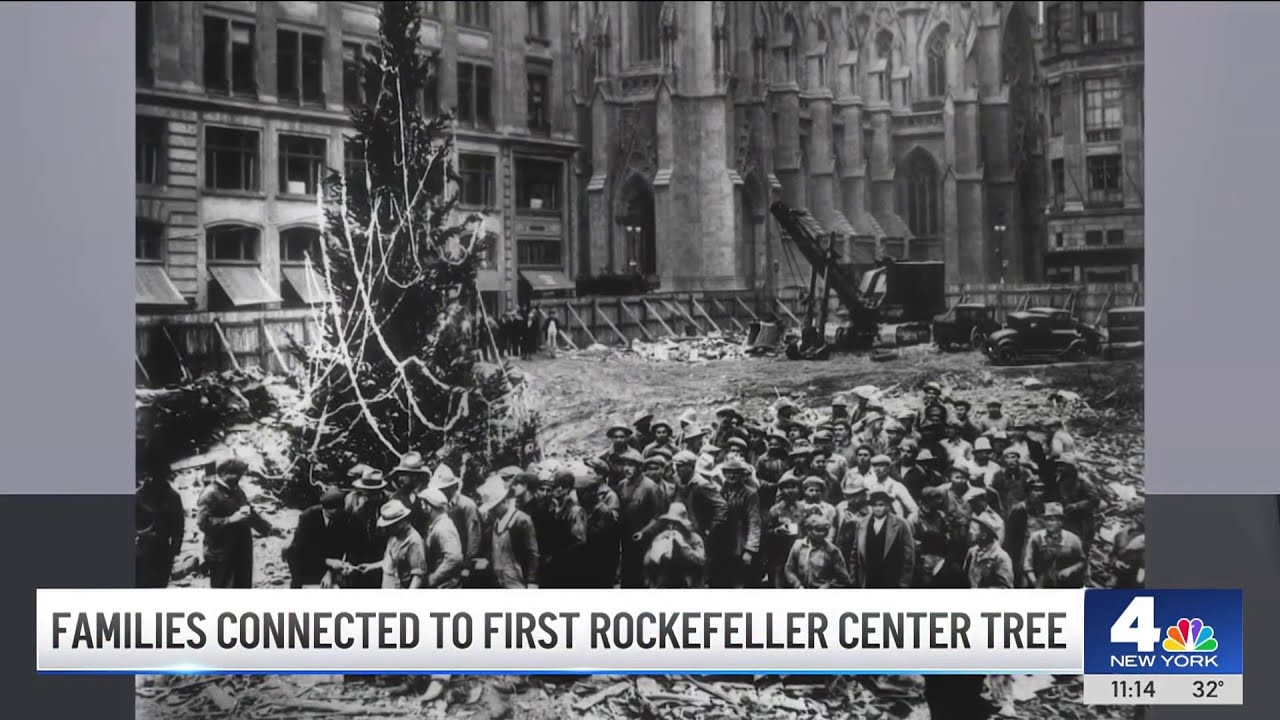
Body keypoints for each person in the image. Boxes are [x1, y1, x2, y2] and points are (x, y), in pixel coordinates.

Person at [197, 458, 279, 588]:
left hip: (242, 551)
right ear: (224, 474)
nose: (239, 478)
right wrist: (230, 520)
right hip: (221, 553)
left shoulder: (236, 490)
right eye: (236, 475)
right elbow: (203, 523)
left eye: (240, 475)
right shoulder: (210, 494)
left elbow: (249, 513)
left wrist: (268, 529)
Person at [284, 488, 353, 588]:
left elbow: (339, 548)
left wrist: (330, 572)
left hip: (329, 565)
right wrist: (327, 562)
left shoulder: (343, 518)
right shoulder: (308, 518)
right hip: (305, 562)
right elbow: (300, 551)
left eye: (340, 510)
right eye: (333, 511)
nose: (337, 513)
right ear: (324, 508)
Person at [713, 458, 762, 588]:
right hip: (722, 543)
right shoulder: (719, 492)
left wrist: (750, 549)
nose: (732, 476)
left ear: (742, 474)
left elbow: (754, 521)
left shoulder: (750, 494)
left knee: (740, 580)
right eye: (728, 472)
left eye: (736, 472)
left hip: (741, 541)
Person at [135, 462, 185, 589]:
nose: (157, 479)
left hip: (163, 549)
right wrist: (140, 533)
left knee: (159, 583)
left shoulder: (173, 496)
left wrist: (174, 550)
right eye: (154, 476)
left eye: (161, 476)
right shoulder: (138, 495)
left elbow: (179, 526)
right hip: (141, 548)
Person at [853, 490, 915, 589]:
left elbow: (908, 557)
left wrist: (904, 583)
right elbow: (855, 552)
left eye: (881, 505)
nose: (877, 509)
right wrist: (854, 578)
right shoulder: (862, 524)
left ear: (887, 505)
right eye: (874, 505)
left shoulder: (901, 524)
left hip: (891, 579)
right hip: (869, 578)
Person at [639, 503, 707, 589]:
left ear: (683, 525)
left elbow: (701, 561)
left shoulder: (694, 538)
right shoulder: (662, 537)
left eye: (676, 524)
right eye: (669, 523)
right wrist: (658, 550)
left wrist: (684, 546)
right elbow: (647, 562)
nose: (672, 527)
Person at [489, 478, 540, 589]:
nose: (491, 512)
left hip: (518, 579)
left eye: (494, 508)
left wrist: (532, 580)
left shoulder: (522, 520)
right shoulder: (496, 523)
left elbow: (533, 553)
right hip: (500, 579)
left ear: (504, 502)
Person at [344, 470, 391, 589]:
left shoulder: (389, 502)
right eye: (366, 494)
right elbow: (346, 532)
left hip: (380, 557)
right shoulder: (352, 500)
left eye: (372, 494)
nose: (368, 498)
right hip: (357, 556)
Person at [1024, 502, 1087, 589]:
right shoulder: (1036, 537)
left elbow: (1082, 561)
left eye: (1053, 520)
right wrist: (1035, 584)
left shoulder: (1073, 539)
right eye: (1047, 520)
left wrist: (1070, 570)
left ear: (1061, 522)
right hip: (1040, 583)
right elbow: (1027, 565)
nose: (1049, 523)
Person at [577, 470, 621, 588]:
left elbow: (601, 534)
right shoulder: (588, 506)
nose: (579, 496)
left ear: (591, 493)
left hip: (602, 558)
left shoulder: (602, 510)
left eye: (582, 493)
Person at [783, 514, 852, 589]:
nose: (822, 533)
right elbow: (789, 569)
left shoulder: (832, 550)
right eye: (818, 530)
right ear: (808, 530)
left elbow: (843, 578)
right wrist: (797, 584)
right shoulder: (798, 546)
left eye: (825, 530)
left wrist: (828, 585)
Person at [418, 488, 464, 589]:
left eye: (423, 504)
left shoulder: (443, 528)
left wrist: (433, 578)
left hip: (446, 586)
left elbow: (454, 558)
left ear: (429, 507)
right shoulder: (438, 525)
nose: (422, 508)